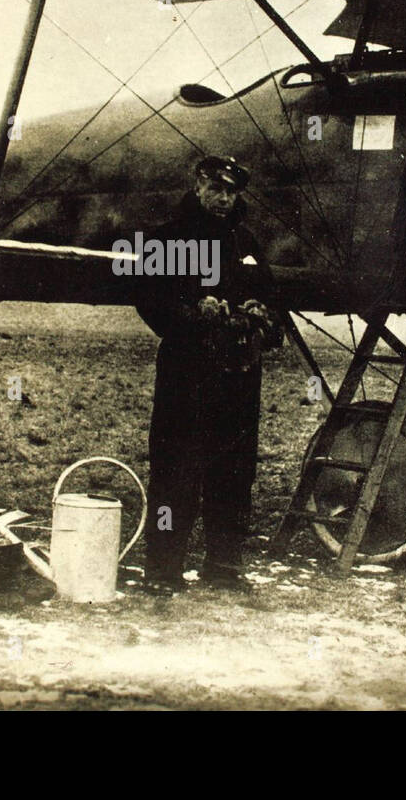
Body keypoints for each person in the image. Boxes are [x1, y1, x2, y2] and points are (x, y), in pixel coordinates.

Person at [134, 155, 281, 596]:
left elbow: (274, 307)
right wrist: (194, 315)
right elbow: (150, 302)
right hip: (188, 375)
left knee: (235, 471)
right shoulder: (168, 240)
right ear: (197, 186)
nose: (222, 198)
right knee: (176, 469)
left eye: (231, 191)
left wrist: (260, 317)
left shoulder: (247, 243)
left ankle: (224, 565)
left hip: (238, 376)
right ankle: (162, 569)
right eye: (215, 189)